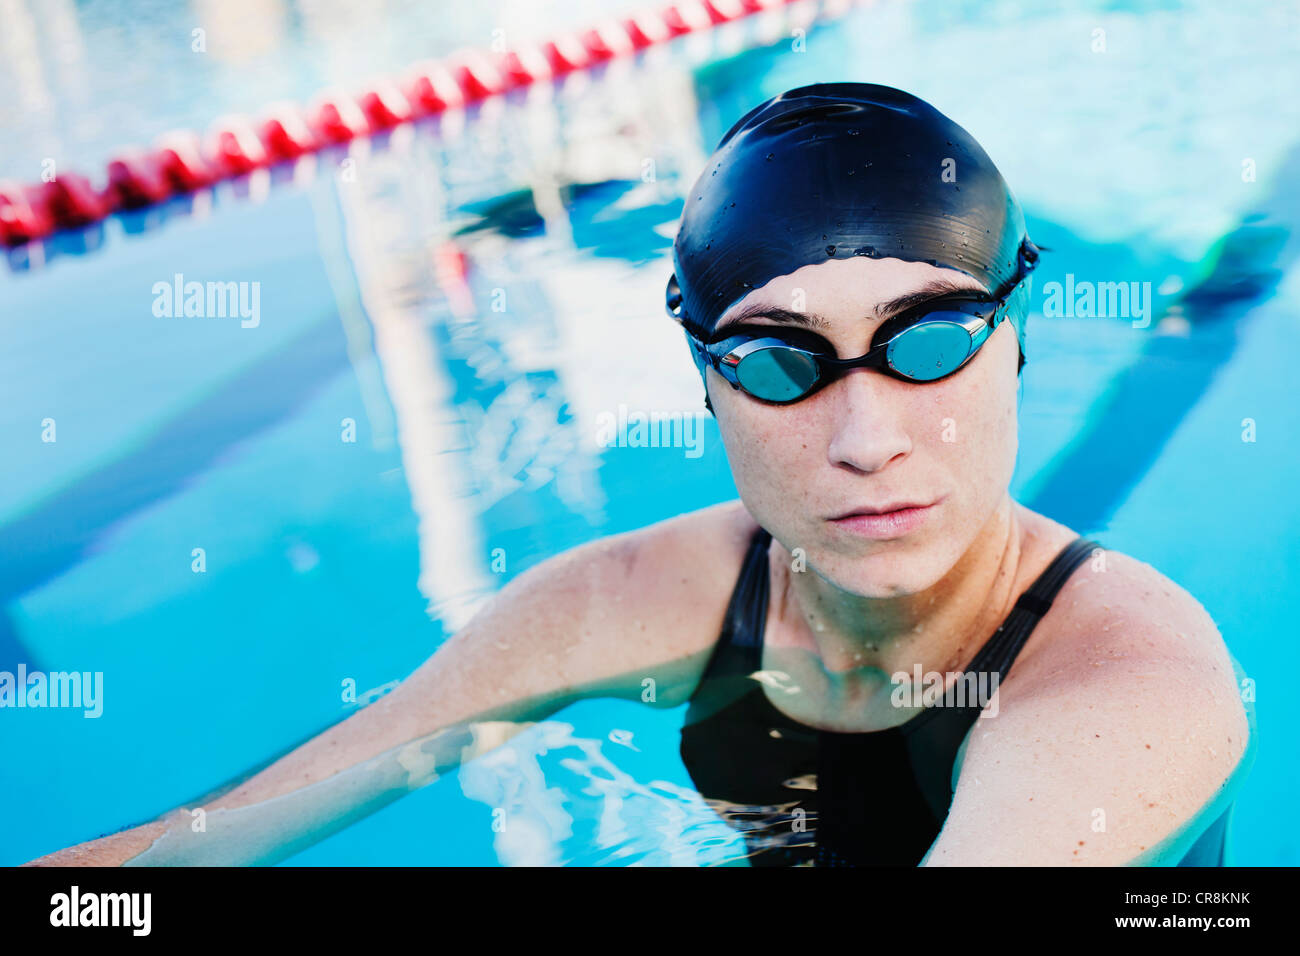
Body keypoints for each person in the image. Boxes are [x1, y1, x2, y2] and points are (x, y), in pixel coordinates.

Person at [26, 83, 1254, 868]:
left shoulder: (1133, 683)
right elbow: (191, 849)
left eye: (930, 340)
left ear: (1017, 336)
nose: (867, 434)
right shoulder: (637, 600)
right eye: (780, 364)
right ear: (706, 384)